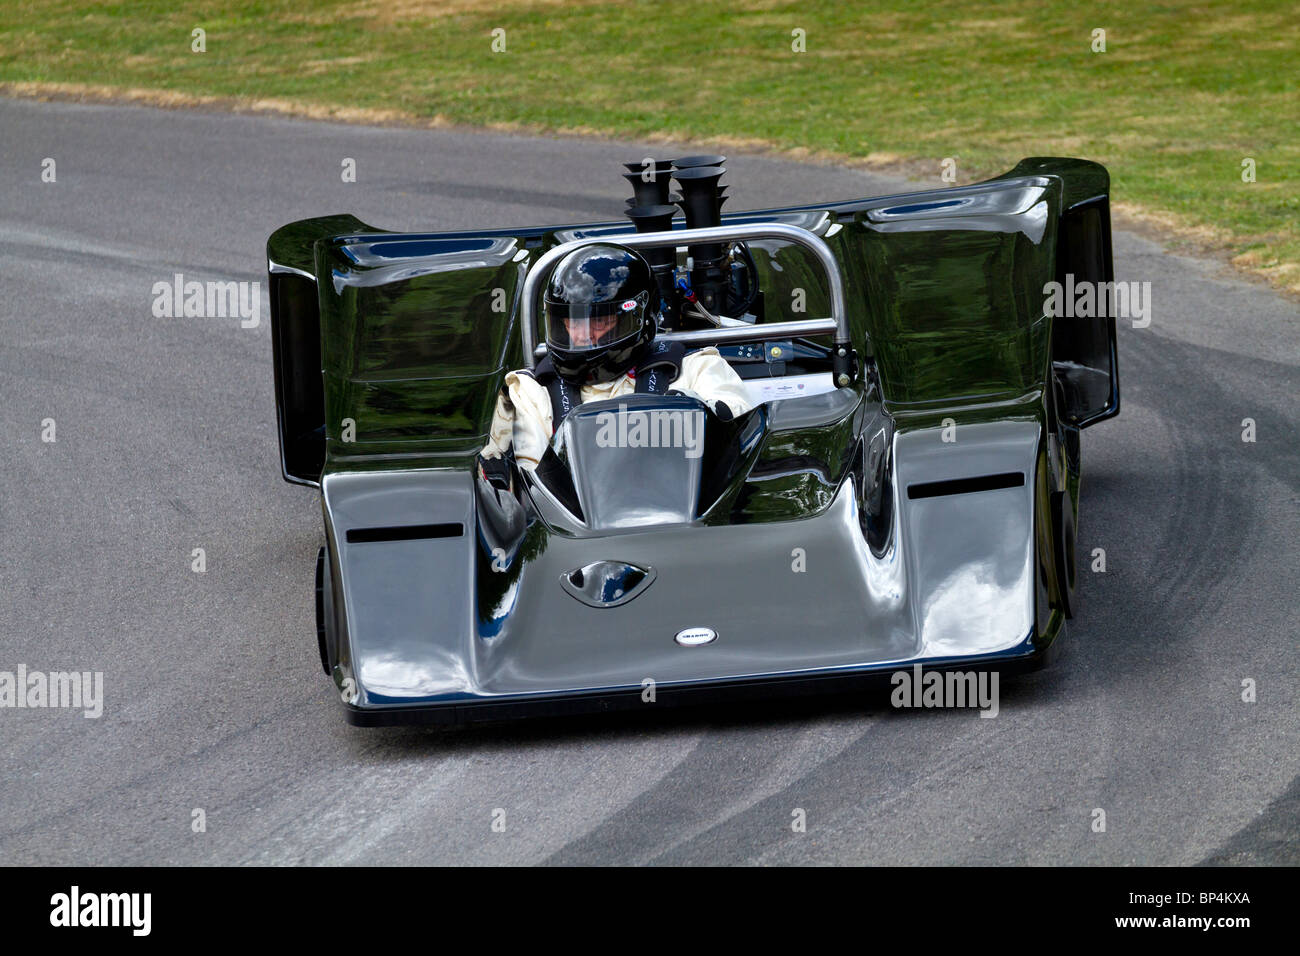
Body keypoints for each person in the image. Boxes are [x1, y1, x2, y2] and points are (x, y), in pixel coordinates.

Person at [480, 243, 753, 474]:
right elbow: (530, 485)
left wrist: (687, 408)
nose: (583, 336)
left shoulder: (697, 369)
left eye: (599, 321)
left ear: (635, 318)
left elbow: (737, 430)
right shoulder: (530, 392)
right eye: (571, 322)